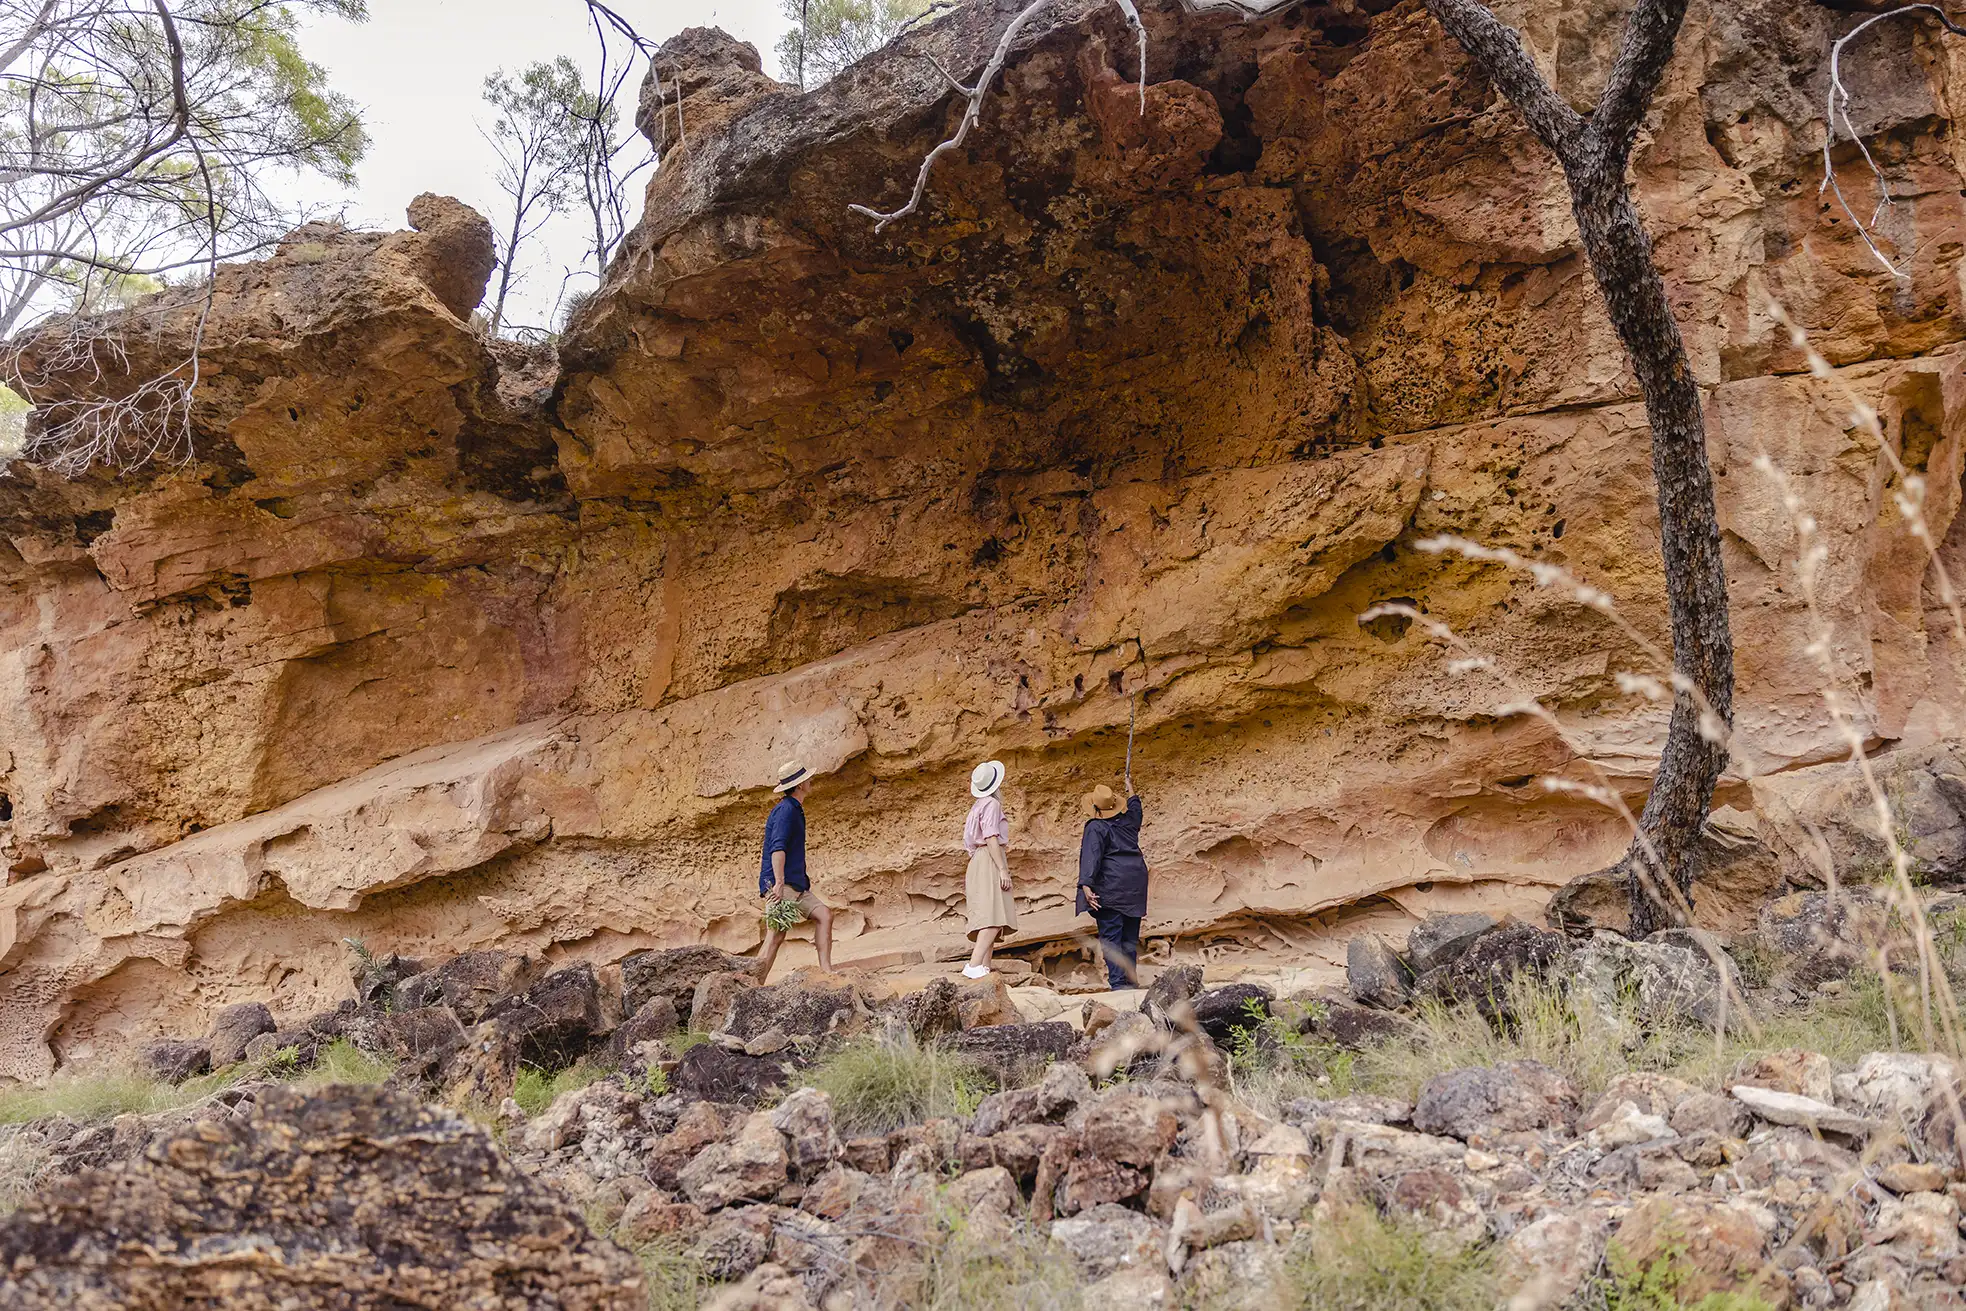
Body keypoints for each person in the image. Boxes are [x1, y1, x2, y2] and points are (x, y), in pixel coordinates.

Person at [756, 759, 834, 983]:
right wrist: (779, 883)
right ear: (800, 785)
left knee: (824, 915)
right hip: (783, 884)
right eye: (807, 779)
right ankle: (752, 983)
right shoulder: (786, 810)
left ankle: (827, 971)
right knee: (775, 935)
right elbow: (777, 848)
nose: (810, 781)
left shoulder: (794, 808)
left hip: (796, 884)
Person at [1076, 783, 1147, 990]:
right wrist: (1130, 788)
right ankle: (1131, 982)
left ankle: (1118, 984)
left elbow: (1091, 856)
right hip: (1135, 884)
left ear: (1095, 807)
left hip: (1111, 885)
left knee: (1111, 937)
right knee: (1129, 937)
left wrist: (1086, 884)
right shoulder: (1129, 822)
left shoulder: (1095, 827)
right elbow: (1136, 810)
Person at [961, 759, 1017, 978]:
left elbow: (970, 841)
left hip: (977, 860)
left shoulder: (976, 807)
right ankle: (973, 966)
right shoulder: (992, 804)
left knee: (988, 916)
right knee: (994, 918)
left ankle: (984, 969)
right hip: (989, 858)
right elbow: (991, 837)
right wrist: (1002, 869)